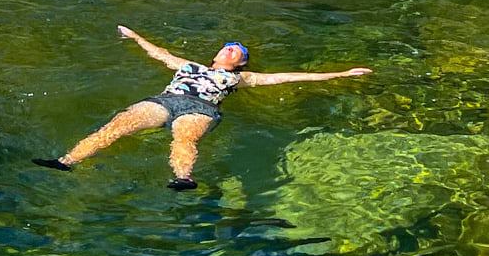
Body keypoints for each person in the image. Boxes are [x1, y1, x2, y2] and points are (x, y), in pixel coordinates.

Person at [35, 26, 373, 189]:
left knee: (185, 140)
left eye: (237, 51)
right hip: (165, 101)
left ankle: (184, 178)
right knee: (119, 124)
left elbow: (288, 77)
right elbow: (160, 54)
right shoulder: (188, 66)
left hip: (201, 108)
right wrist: (136, 37)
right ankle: (67, 161)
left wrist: (341, 73)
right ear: (217, 53)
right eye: (228, 47)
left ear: (240, 64)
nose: (231, 50)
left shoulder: (242, 79)